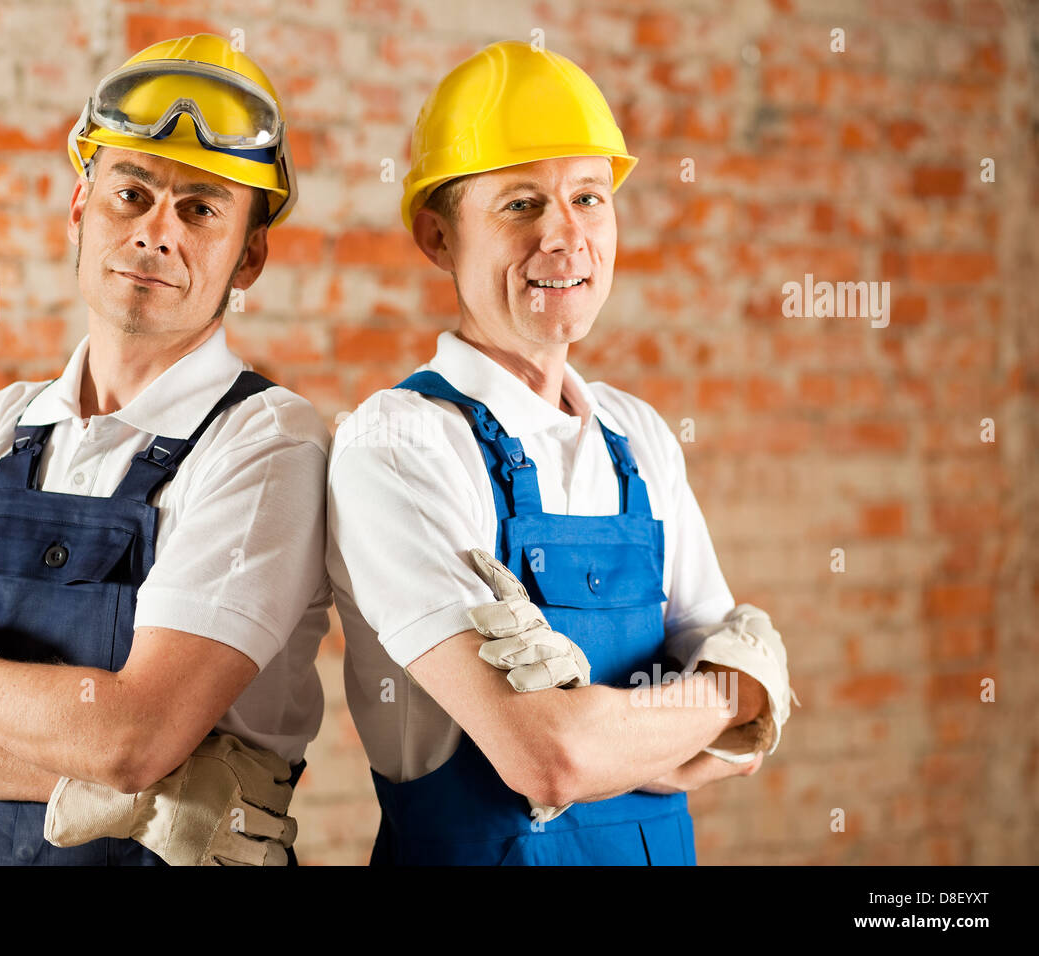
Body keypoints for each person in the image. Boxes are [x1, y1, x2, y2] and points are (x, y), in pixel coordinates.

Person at [0, 34, 331, 866]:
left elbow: (135, 736)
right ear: (79, 209)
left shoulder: (270, 442)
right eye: (130, 194)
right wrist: (145, 802)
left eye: (201, 209)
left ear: (250, 255)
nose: (155, 233)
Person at [327, 40, 795, 866]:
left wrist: (679, 717)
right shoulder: (397, 442)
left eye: (588, 197)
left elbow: (751, 734)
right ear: (438, 236)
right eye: (519, 205)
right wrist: (717, 701)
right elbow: (550, 758)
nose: (565, 237)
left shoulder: (640, 438)